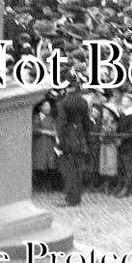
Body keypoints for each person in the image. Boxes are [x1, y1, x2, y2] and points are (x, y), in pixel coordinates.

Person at [55, 74, 91, 207]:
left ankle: (70, 198)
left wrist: (60, 142)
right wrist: (86, 138)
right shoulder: (83, 101)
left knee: (69, 170)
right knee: (78, 169)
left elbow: (61, 124)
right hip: (80, 136)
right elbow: (87, 123)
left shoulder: (63, 103)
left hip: (68, 137)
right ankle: (77, 197)